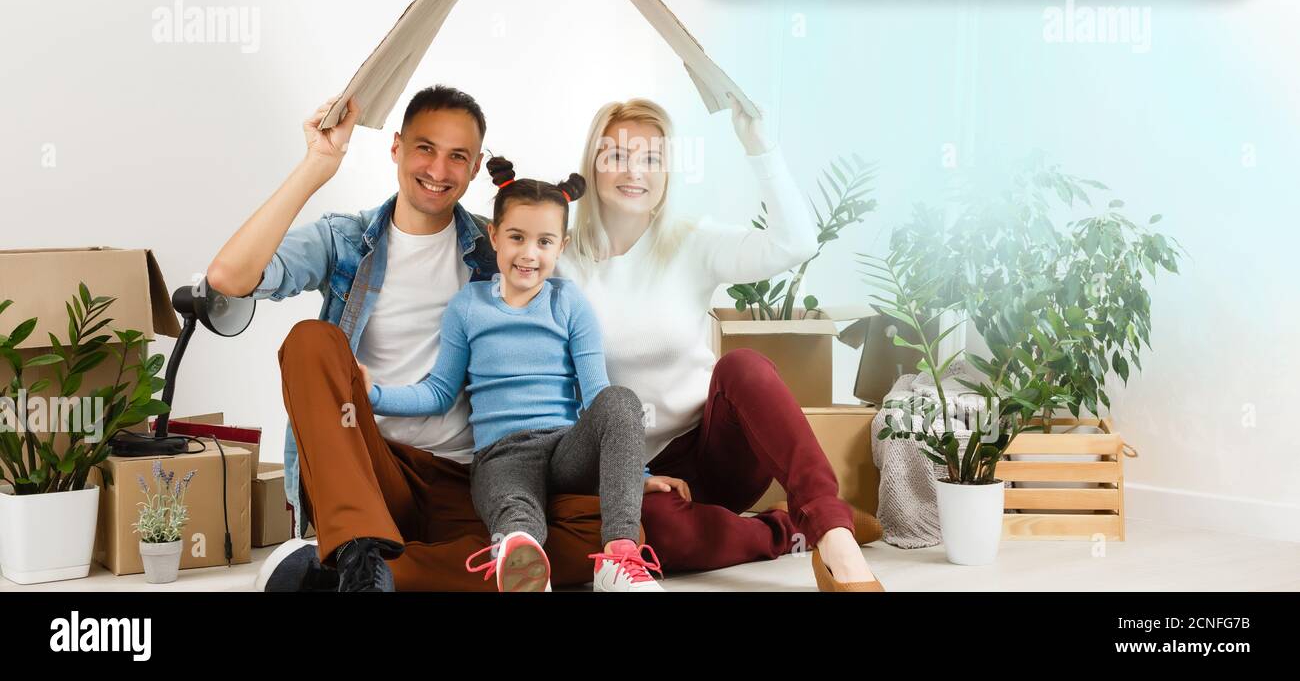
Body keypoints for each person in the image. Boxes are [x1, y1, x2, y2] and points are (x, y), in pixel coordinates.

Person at [206, 86, 607, 591]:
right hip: (371, 473)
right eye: (425, 148)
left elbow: (563, 354)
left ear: (476, 164)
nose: (438, 171)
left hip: (473, 481)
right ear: (396, 147)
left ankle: (370, 575)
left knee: (605, 538)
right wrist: (318, 164)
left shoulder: (501, 245)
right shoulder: (345, 239)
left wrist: (623, 463)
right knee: (312, 340)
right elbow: (229, 277)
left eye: (457, 156)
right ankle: (357, 548)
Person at [559, 95, 886, 591]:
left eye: (651, 159)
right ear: (593, 163)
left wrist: (760, 146)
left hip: (713, 450)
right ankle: (783, 530)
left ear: (668, 173)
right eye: (618, 155)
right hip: (633, 475)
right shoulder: (559, 263)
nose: (635, 172)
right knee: (657, 538)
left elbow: (796, 243)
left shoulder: (691, 242)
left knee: (744, 367)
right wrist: (628, 474)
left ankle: (833, 532)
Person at [362, 156, 667, 591]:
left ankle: (617, 560)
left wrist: (641, 475)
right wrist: (373, 394)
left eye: (544, 242)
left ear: (560, 246)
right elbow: (438, 393)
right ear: (495, 236)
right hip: (501, 455)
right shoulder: (468, 306)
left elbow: (599, 398)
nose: (529, 253)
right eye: (517, 238)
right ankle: (521, 559)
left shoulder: (568, 303)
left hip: (565, 449)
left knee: (621, 398)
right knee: (516, 510)